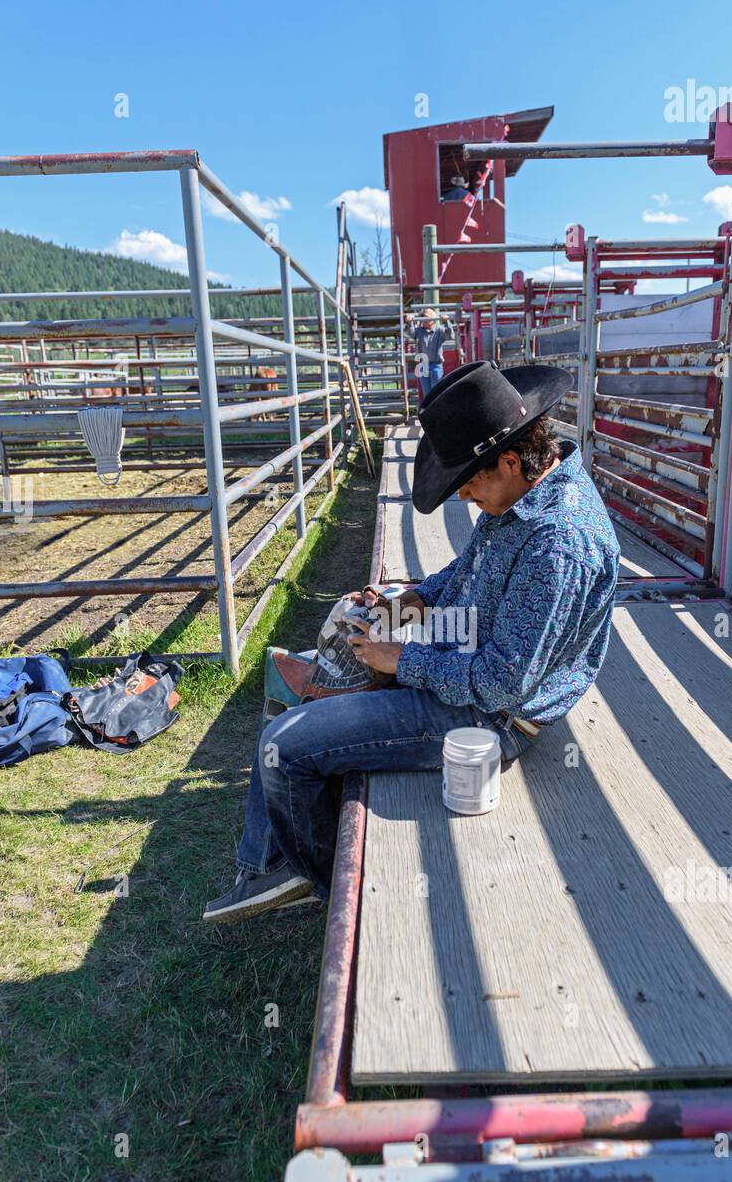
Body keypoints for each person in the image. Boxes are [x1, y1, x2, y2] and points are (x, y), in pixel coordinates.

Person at [202, 360, 620, 923]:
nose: (467, 497)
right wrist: (417, 599)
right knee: (288, 682)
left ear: (511, 460)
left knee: (286, 743)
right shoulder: (524, 494)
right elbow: (472, 569)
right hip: (464, 665)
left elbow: (501, 685)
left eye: (469, 483)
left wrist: (399, 659)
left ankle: (316, 879)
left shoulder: (558, 545)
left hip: (488, 718)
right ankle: (259, 869)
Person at [409, 307, 454, 399]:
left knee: (437, 393)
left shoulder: (439, 330)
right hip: (423, 365)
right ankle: (429, 412)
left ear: (433, 320)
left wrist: (446, 322)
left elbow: (450, 336)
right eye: (423, 318)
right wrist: (410, 322)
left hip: (436, 365)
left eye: (426, 317)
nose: (424, 320)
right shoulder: (419, 331)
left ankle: (437, 412)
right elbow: (411, 333)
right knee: (427, 394)